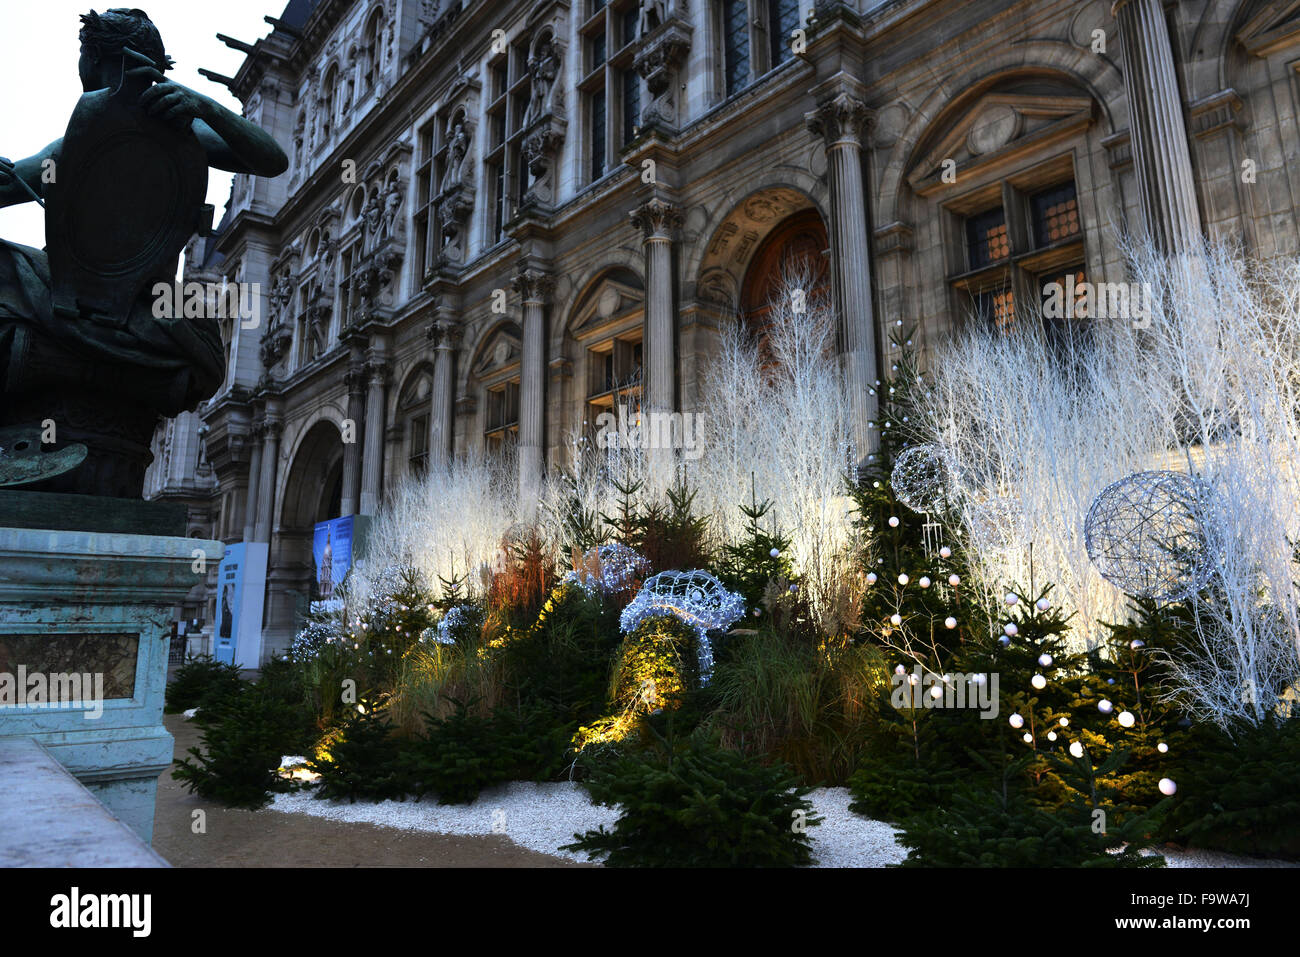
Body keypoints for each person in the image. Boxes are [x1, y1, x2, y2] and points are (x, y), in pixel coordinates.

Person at [0, 8, 288, 418]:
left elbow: (272, 159)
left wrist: (204, 106)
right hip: (131, 301)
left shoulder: (89, 137)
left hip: (97, 295)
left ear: (93, 58)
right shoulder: (174, 132)